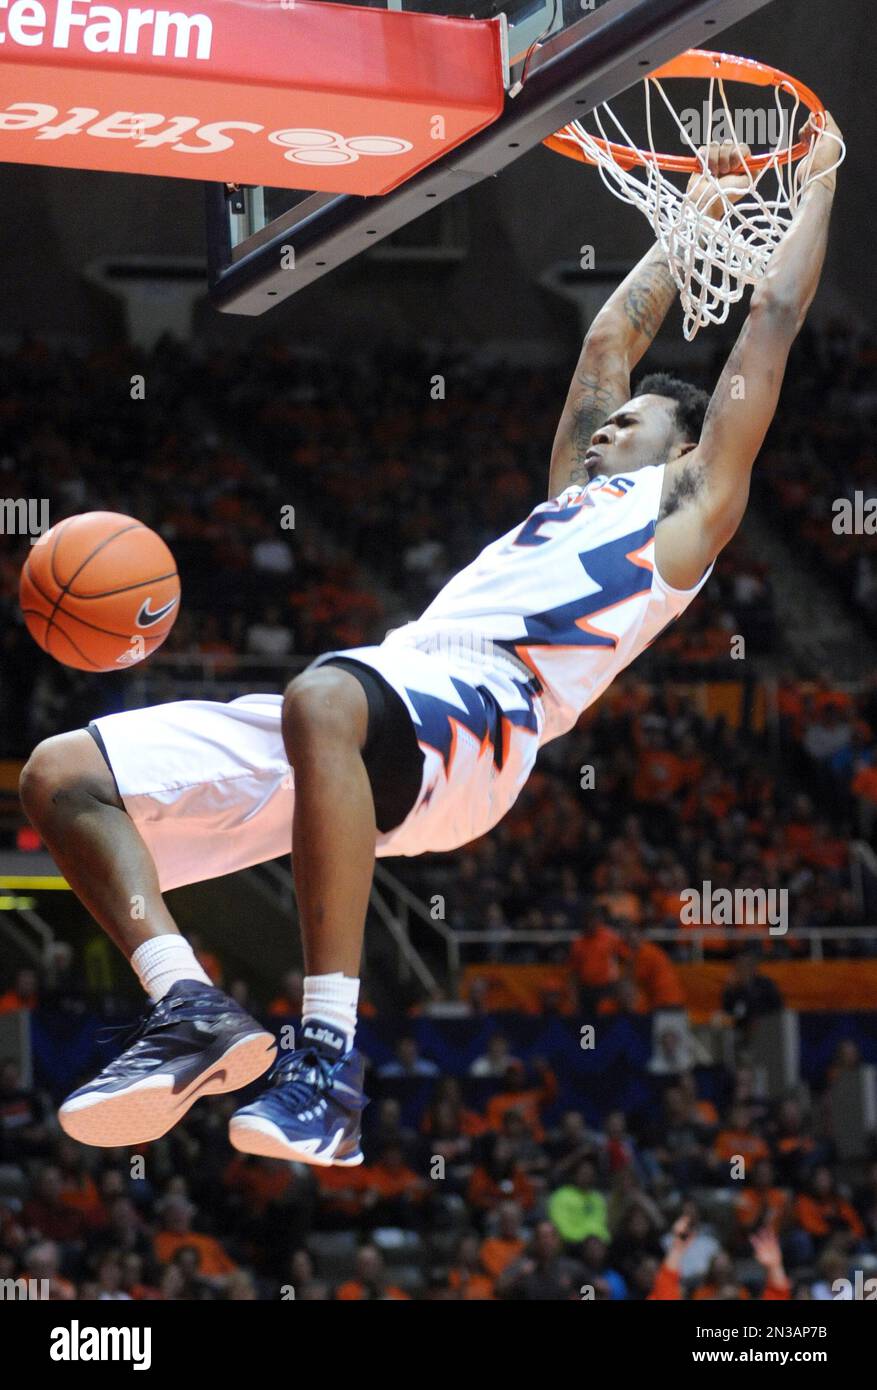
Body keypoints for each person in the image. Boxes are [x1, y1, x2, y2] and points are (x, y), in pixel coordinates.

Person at [18, 122, 843, 1164]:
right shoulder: (572, 499)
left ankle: (327, 1063)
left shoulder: (686, 511)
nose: (603, 427)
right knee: (63, 778)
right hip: (391, 690)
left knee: (322, 692)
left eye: (627, 422)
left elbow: (768, 320)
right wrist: (701, 211)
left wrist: (817, 183)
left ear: (681, 448)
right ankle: (187, 1007)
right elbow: (603, 343)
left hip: (484, 720)